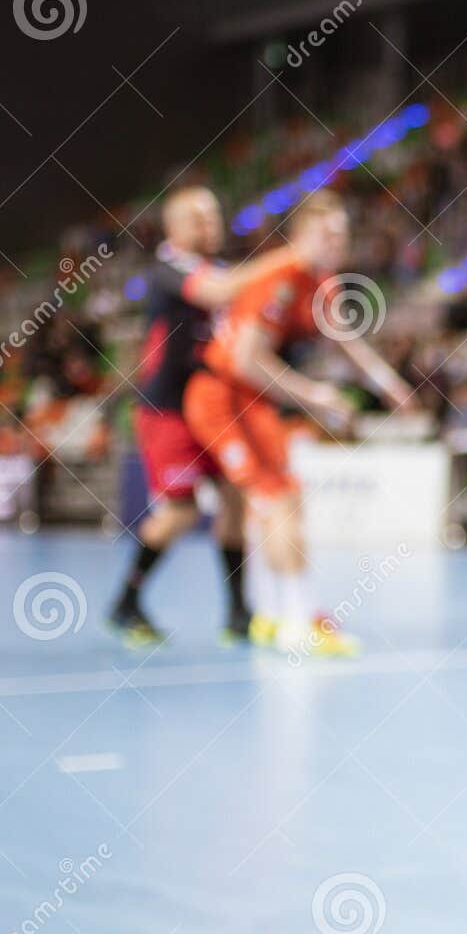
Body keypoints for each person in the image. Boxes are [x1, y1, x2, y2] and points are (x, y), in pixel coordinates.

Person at [183, 191, 414, 657]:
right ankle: (298, 618)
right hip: (220, 396)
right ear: (300, 237)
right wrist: (316, 397)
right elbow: (247, 359)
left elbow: (345, 339)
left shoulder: (319, 280)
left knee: (280, 499)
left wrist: (390, 385)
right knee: (277, 500)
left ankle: (275, 613)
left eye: (343, 234)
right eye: (328, 234)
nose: (338, 242)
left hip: (251, 400)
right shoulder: (280, 276)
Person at [110, 187, 252, 646]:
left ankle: (238, 612)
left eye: (214, 217)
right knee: (181, 513)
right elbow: (218, 292)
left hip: (213, 409)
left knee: (235, 499)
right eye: (199, 219)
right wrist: (289, 259)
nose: (210, 227)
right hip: (167, 410)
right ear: (174, 228)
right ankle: (126, 601)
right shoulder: (168, 270)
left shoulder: (220, 271)